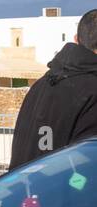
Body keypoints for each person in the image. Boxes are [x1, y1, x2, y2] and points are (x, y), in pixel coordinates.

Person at [10, 9, 97, 169]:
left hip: (24, 190)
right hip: (65, 191)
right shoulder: (92, 91)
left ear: (76, 40)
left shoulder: (40, 85)